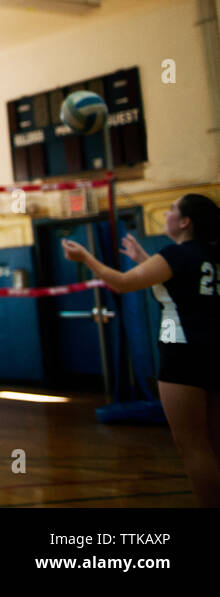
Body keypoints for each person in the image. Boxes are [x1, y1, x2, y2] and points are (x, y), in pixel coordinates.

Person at [62, 194, 220, 507]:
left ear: (186, 221)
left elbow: (121, 283)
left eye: (173, 208)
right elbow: (179, 281)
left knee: (193, 447)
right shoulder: (211, 256)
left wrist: (87, 259)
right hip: (215, 352)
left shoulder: (175, 255)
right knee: (214, 445)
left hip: (183, 356)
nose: (168, 212)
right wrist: (144, 259)